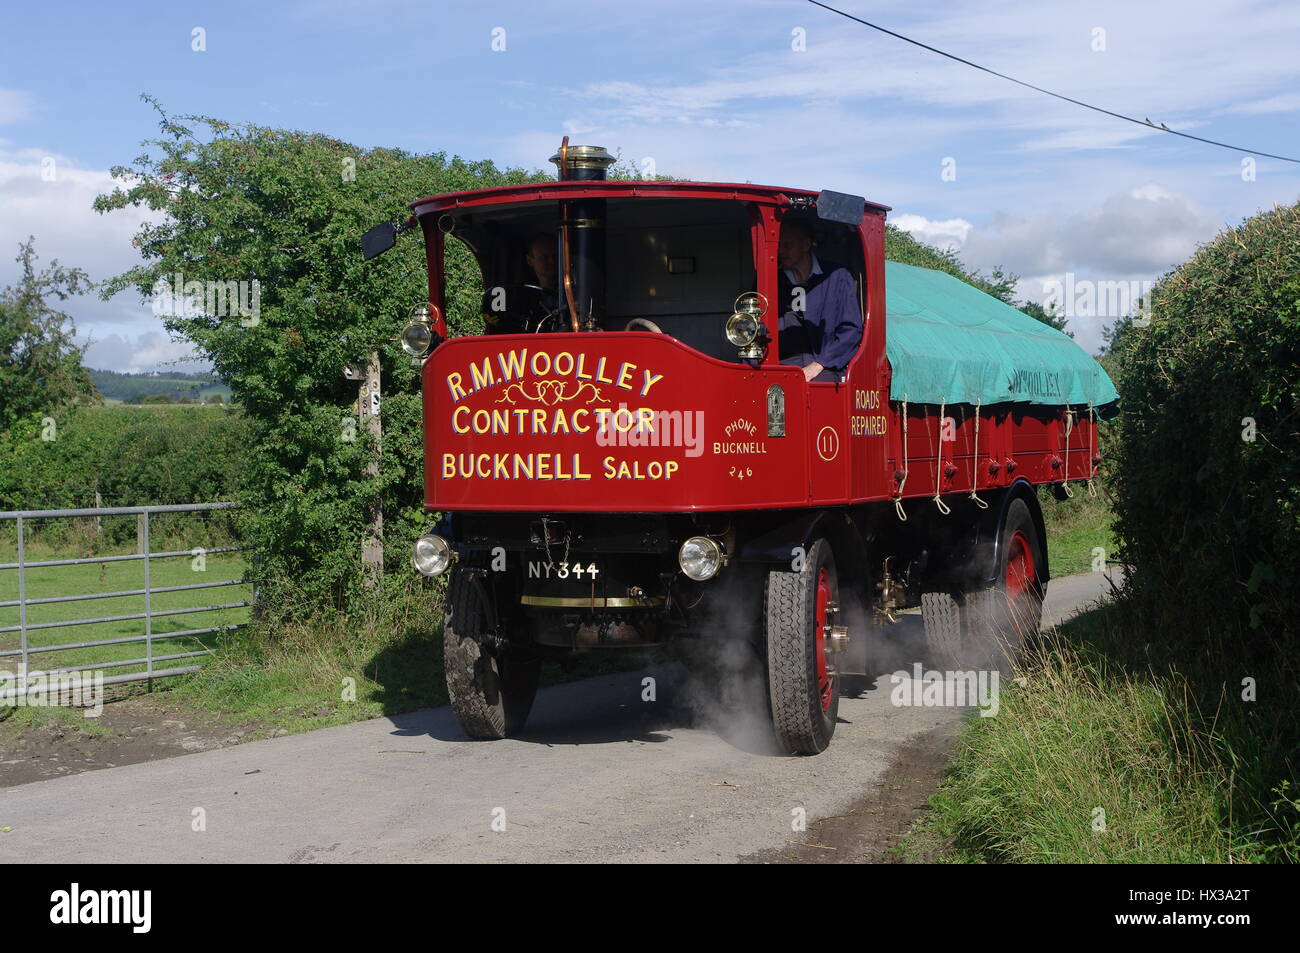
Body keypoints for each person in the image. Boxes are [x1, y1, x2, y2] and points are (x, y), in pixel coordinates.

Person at [776, 220, 862, 381]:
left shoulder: (837, 276)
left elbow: (851, 330)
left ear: (806, 244)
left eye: (787, 245)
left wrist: (820, 364)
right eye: (778, 244)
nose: (781, 250)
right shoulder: (770, 278)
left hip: (824, 366)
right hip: (779, 365)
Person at [483, 233, 560, 333]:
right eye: (544, 257)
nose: (551, 261)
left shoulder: (573, 295)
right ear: (530, 261)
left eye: (555, 256)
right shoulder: (517, 297)